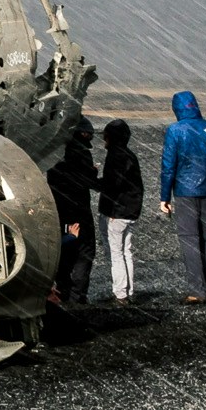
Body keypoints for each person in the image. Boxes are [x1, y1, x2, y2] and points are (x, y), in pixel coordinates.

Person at [158, 90, 206, 304]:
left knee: (190, 241)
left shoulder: (175, 131)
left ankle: (197, 290)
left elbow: (168, 166)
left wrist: (165, 196)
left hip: (185, 192)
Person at [45, 117, 96, 316]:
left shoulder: (55, 154)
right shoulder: (82, 154)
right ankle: (78, 296)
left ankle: (63, 291)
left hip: (60, 209)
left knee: (64, 251)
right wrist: (91, 174)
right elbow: (85, 181)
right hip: (79, 210)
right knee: (84, 252)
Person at [96, 119, 144, 300]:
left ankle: (120, 293)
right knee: (126, 251)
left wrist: (94, 181)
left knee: (115, 253)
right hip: (130, 210)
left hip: (116, 211)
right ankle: (129, 291)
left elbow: (112, 184)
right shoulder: (129, 155)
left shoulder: (115, 156)